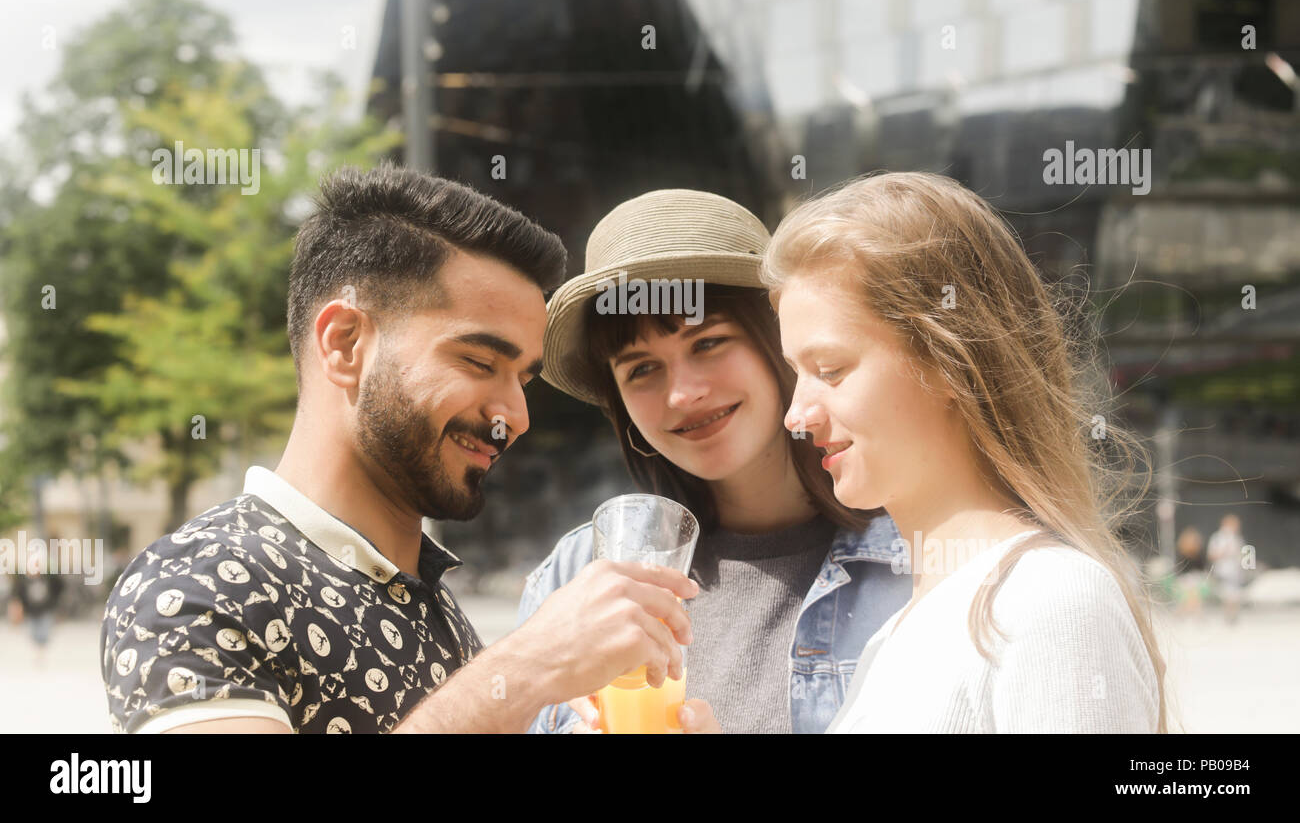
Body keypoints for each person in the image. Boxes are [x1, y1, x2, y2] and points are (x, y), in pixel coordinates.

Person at [100, 164, 698, 734]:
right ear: (345, 343)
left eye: (523, 379)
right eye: (479, 361)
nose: (514, 417)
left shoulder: (427, 596)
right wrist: (527, 669)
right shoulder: (192, 590)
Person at [760, 171, 1168, 733]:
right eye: (796, 374)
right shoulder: (902, 626)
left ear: (951, 360)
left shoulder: (1048, 601)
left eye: (830, 370)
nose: (796, 416)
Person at [516, 189, 911, 734]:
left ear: (780, 345)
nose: (682, 394)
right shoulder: (580, 574)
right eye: (641, 369)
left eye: (708, 344)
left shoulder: (916, 556)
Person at [9, 553, 64, 667]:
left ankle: (41, 652)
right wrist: (18, 609)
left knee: (44, 632)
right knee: (33, 633)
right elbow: (18, 595)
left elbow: (59, 587)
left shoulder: (48, 578)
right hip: (31, 611)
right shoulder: (23, 581)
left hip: (45, 610)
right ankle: (37, 652)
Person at [1207, 514, 1247, 624]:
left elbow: (1242, 554)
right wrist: (1224, 552)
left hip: (1236, 572)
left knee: (1236, 595)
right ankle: (1228, 616)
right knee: (1227, 595)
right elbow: (1211, 555)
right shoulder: (1217, 538)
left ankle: (1233, 617)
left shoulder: (1237, 538)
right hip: (1223, 572)